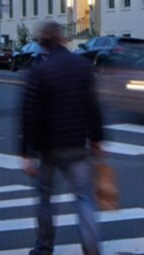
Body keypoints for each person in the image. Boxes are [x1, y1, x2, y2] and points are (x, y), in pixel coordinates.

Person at [18, 20, 104, 255]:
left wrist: (26, 151)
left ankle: (44, 247)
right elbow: (93, 106)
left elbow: (29, 113)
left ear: (42, 45)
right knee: (84, 196)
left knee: (45, 198)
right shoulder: (81, 66)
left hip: (47, 146)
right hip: (76, 142)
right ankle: (91, 247)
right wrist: (96, 139)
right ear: (62, 39)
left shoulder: (39, 72)